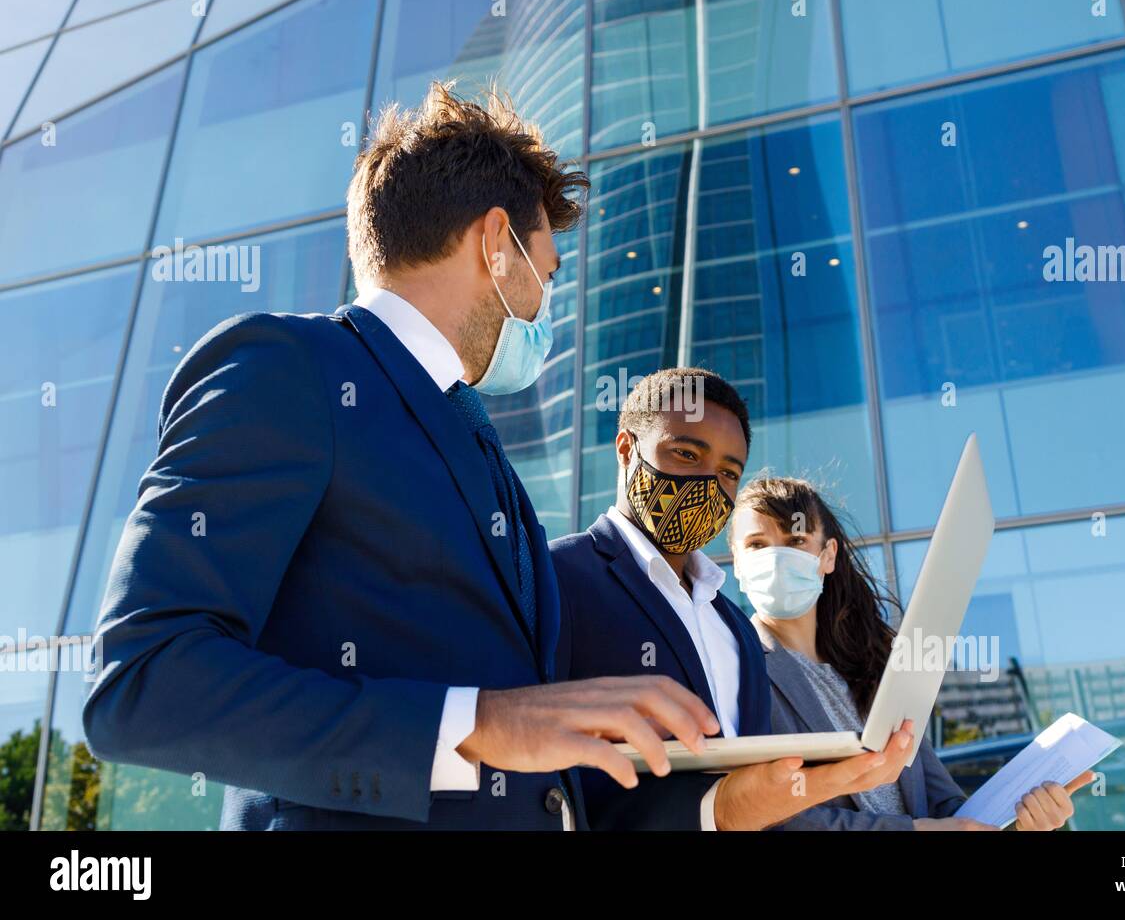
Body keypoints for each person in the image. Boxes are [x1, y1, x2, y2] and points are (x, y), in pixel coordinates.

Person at [80, 82, 723, 830]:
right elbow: (141, 684)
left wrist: (729, 804)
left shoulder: (486, 455)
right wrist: (476, 725)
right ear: (494, 244)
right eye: (546, 274)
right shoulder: (287, 367)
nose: (548, 307)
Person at [551, 369, 914, 830]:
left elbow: (755, 795)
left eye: (727, 472)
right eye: (686, 453)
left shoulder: (736, 629)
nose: (709, 483)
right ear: (627, 450)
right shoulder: (556, 575)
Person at [728, 475, 1094, 831]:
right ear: (737, 562)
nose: (776, 559)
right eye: (758, 545)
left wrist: (1019, 820)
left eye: (795, 541)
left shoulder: (876, 668)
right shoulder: (735, 668)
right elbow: (767, 815)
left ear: (828, 556)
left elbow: (945, 805)